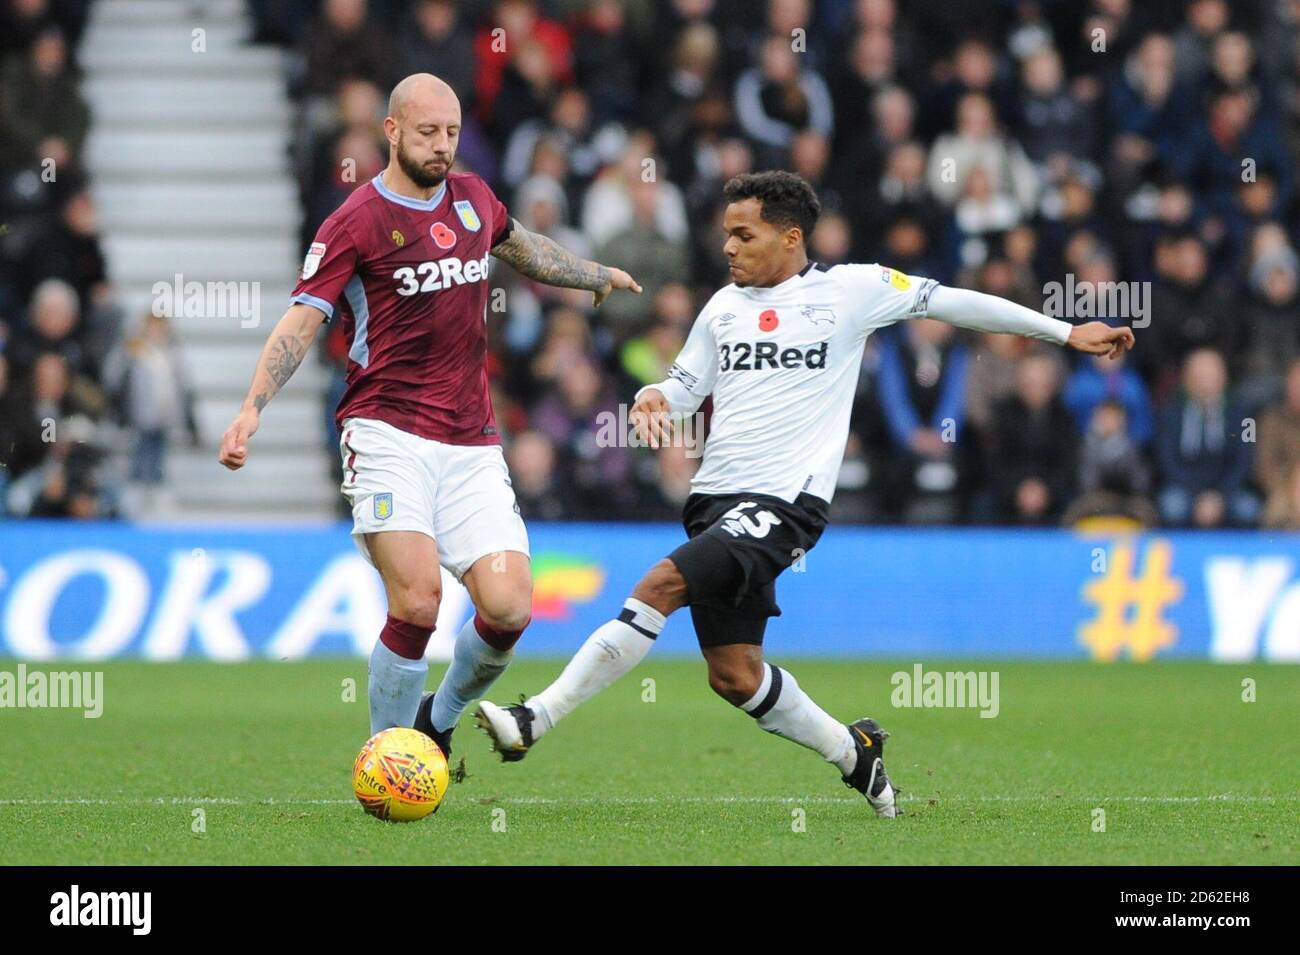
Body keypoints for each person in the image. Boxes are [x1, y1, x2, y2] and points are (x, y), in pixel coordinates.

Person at [476, 171, 1132, 819]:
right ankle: (856, 752)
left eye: (743, 233)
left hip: (784, 504)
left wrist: (1066, 333)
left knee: (659, 585)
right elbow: (683, 389)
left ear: (790, 238)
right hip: (713, 502)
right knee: (734, 673)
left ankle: (535, 716)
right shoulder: (721, 309)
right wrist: (655, 399)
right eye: (726, 234)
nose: (728, 247)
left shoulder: (851, 291)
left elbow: (953, 300)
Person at [217, 73, 640, 757]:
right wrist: (250, 410)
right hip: (385, 431)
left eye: (450, 132)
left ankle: (434, 727)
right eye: (426, 133)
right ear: (392, 132)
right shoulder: (353, 221)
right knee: (417, 601)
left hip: (470, 440)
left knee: (508, 609)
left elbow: (525, 247)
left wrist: (593, 274)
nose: (442, 146)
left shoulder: (475, 198)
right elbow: (302, 321)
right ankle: (388, 754)